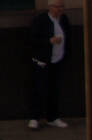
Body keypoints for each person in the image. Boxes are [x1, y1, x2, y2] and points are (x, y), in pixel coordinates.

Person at [28, 0, 70, 130]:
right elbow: (32, 40)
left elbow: (69, 37)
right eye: (57, 7)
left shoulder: (64, 20)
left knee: (54, 90)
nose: (59, 10)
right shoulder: (40, 20)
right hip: (42, 61)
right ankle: (35, 117)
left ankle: (52, 117)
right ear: (50, 7)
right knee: (39, 89)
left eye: (61, 7)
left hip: (57, 61)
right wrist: (49, 41)